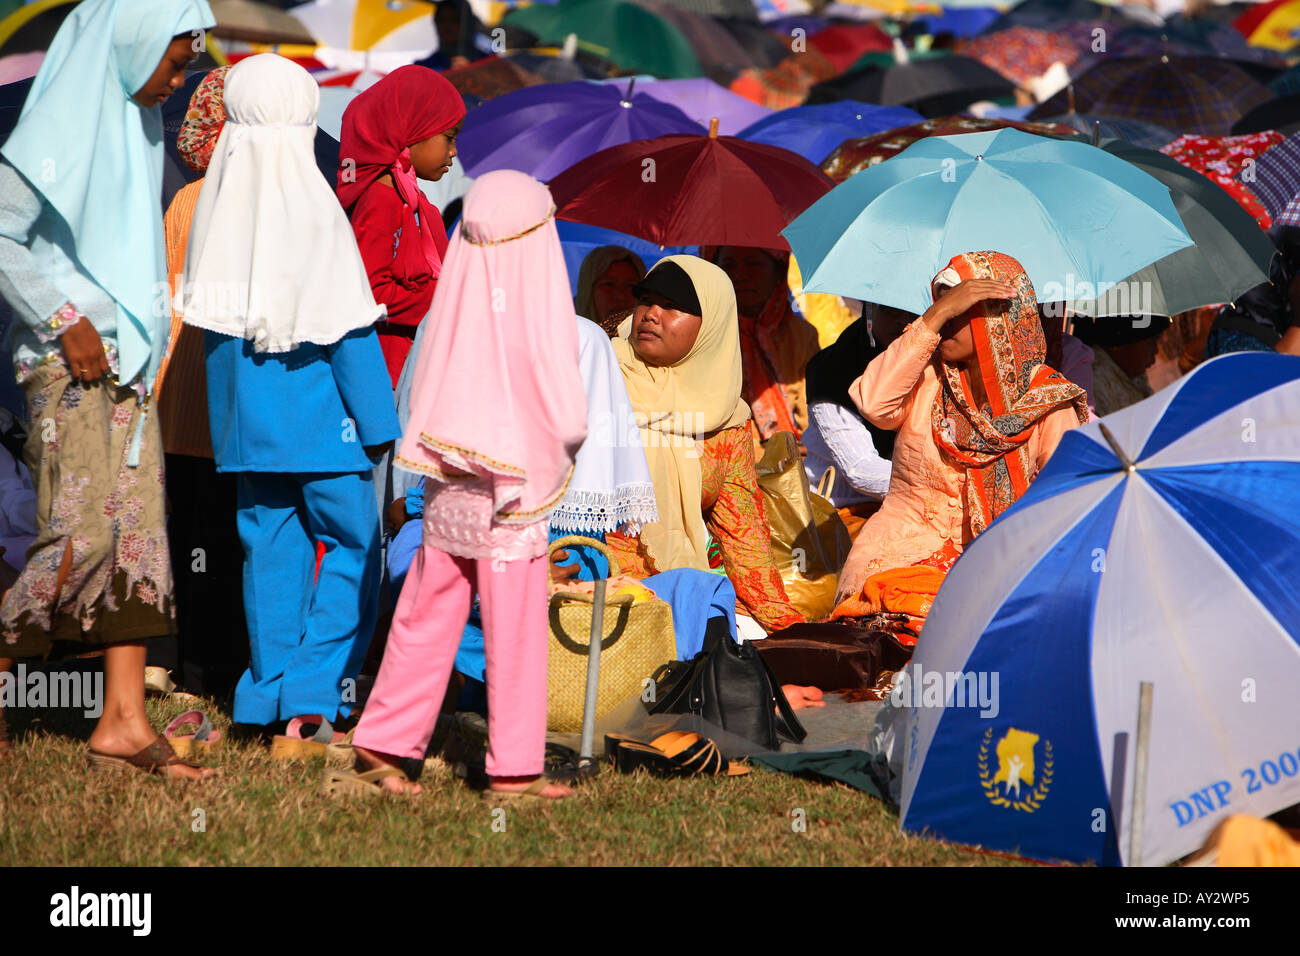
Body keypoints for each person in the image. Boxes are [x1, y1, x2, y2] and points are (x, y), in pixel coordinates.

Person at [0, 0, 216, 776]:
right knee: (79, 538)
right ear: (131, 43)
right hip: (69, 365)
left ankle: (122, 722)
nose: (181, 75)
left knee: (138, 541)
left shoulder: (133, 122)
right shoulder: (63, 126)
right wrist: (65, 320)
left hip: (123, 368)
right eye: (175, 57)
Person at [347, 170, 588, 797]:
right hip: (511, 491)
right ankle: (513, 767)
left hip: (451, 482)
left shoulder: (458, 294)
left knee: (426, 612)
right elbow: (561, 400)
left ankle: (382, 745)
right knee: (515, 626)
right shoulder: (534, 295)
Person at [181, 53, 400, 736]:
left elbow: (213, 339)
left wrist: (230, 434)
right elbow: (347, 330)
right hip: (327, 427)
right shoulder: (313, 208)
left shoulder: (214, 211)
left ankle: (266, 694)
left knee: (268, 557)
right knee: (356, 548)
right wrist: (378, 422)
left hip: (250, 433)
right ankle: (311, 695)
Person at [833, 251, 1089, 608]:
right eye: (945, 310)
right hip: (894, 561)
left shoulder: (1046, 402)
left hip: (998, 570)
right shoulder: (925, 375)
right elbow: (874, 403)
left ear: (999, 319)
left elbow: (1071, 505)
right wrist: (932, 318)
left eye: (961, 312)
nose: (948, 323)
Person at [604, 255, 805, 635]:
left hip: (685, 587)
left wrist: (787, 629)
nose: (650, 314)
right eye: (646, 301)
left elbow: (743, 535)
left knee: (741, 643)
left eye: (672, 306)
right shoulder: (602, 381)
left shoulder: (725, 418)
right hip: (597, 584)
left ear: (711, 325)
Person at [153, 65, 248, 698]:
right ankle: (218, 669)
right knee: (223, 536)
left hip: (177, 392)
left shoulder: (187, 198)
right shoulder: (244, 201)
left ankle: (187, 665)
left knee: (188, 536)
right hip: (223, 397)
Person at [337, 65, 466, 385]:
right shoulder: (382, 201)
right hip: (388, 376)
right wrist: (448, 298)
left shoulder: (415, 203)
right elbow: (370, 292)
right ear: (411, 129)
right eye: (448, 138)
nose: (453, 152)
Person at [802, 308, 907, 533]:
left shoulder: (935, 362)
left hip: (910, 506)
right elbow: (859, 469)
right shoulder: (833, 371)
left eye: (915, 313)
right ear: (869, 309)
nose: (903, 322)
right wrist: (933, 483)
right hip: (841, 510)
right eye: (891, 311)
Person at [711, 245, 820, 442]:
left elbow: (813, 412)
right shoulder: (703, 335)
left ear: (778, 272)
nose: (740, 275)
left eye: (754, 265)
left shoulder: (801, 335)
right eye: (728, 265)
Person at [1070, 315, 1171, 417]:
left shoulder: (1134, 376)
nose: (1156, 351)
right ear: (1119, 345)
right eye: (1151, 343)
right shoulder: (1093, 380)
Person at [574, 245, 646, 337]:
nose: (621, 296)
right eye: (608, 284)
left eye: (630, 286)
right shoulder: (563, 341)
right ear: (588, 290)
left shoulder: (652, 347)